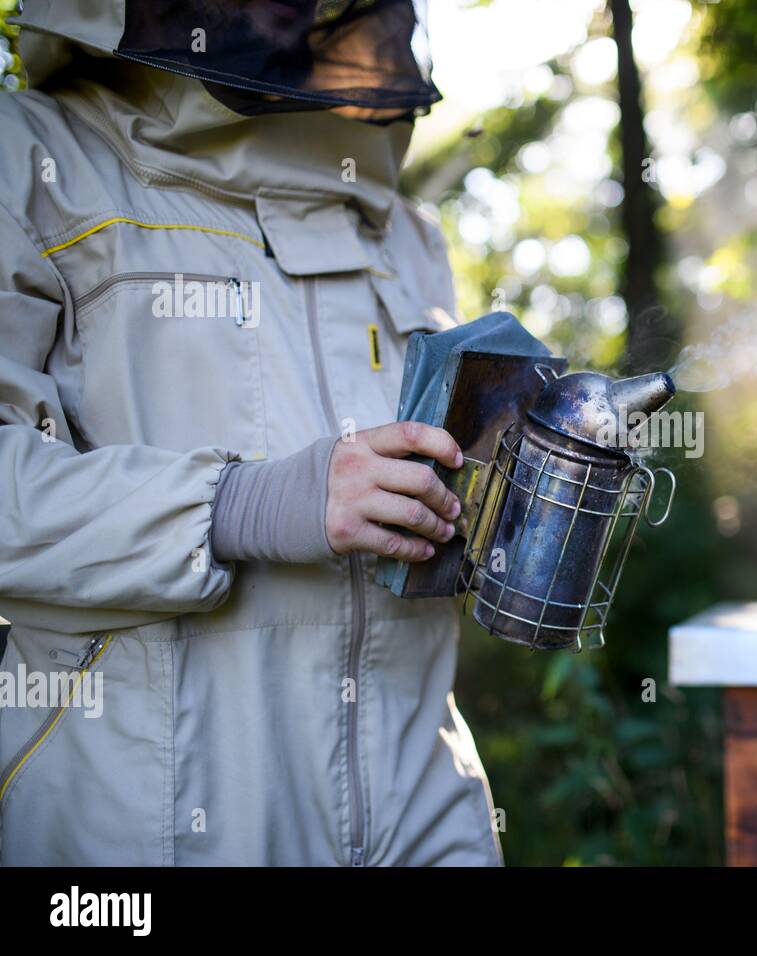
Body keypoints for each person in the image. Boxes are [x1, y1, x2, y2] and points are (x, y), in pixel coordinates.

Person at [0, 0, 501, 865]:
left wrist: (515, 489)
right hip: (142, 829)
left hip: (430, 803)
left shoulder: (402, 221)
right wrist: (246, 504)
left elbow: (436, 497)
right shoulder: (27, 156)